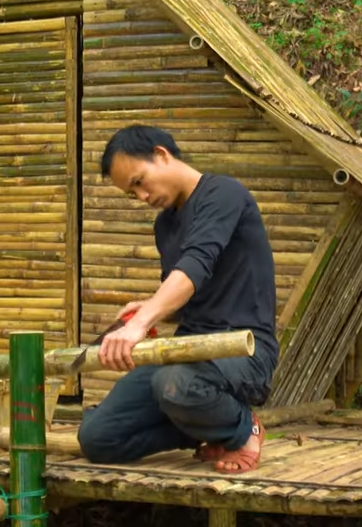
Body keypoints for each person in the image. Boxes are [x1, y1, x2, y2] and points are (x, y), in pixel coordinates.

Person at [75, 124, 280, 474]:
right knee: (97, 437)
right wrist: (153, 311)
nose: (140, 196)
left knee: (173, 384)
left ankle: (244, 429)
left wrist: (141, 324)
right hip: (186, 352)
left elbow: (195, 266)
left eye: (140, 181)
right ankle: (205, 430)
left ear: (161, 154)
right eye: (131, 193)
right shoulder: (165, 226)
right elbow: (189, 292)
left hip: (243, 349)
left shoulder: (223, 194)